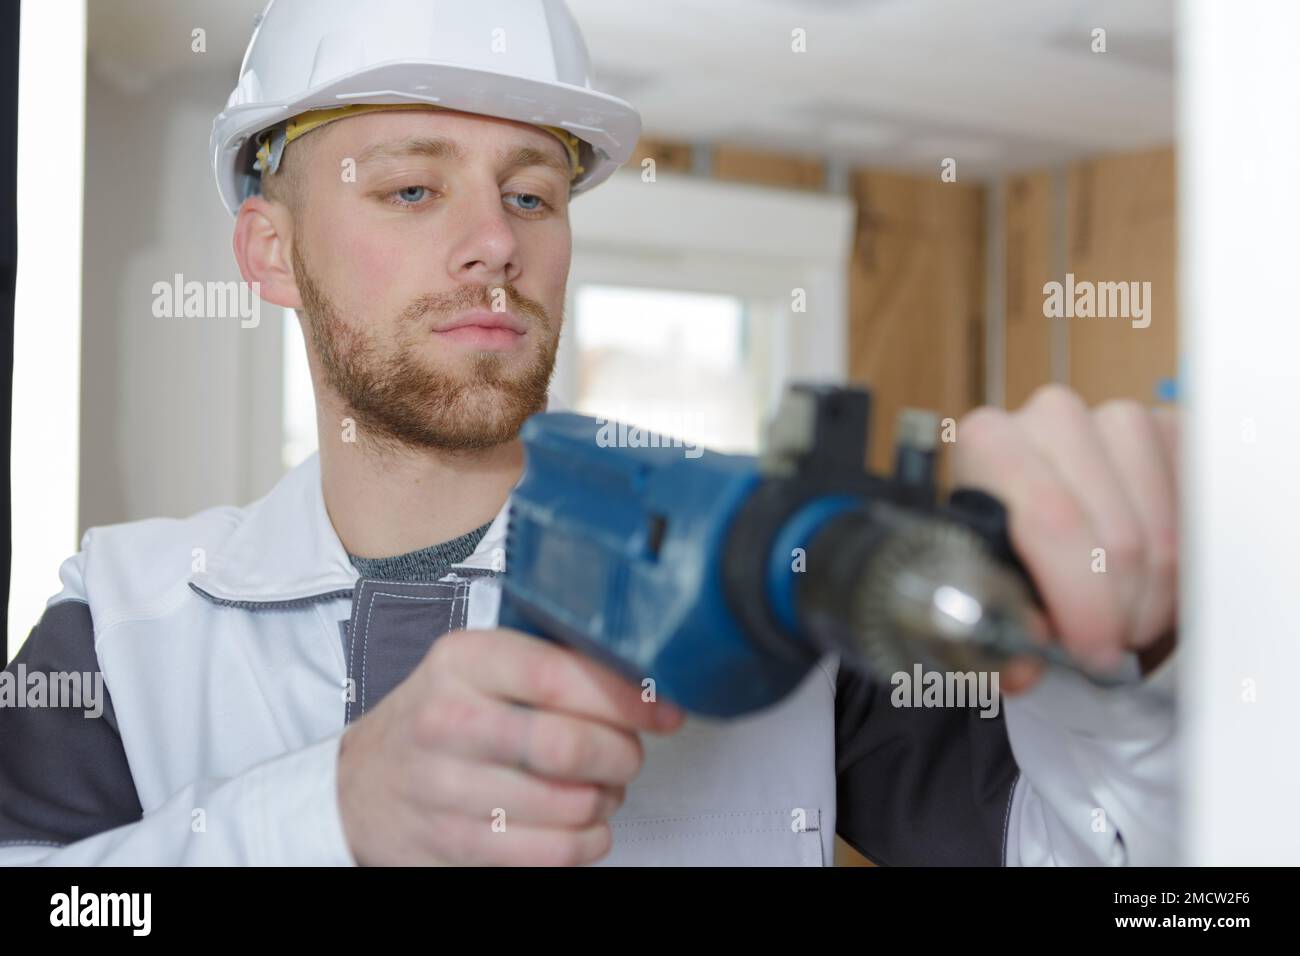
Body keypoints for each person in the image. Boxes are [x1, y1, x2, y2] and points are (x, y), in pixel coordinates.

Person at [0, 0, 1177, 866]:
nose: (494, 243)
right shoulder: (121, 628)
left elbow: (1122, 873)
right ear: (267, 252)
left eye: (529, 195)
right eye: (412, 188)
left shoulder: (771, 584)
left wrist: (1122, 673)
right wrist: (325, 815)